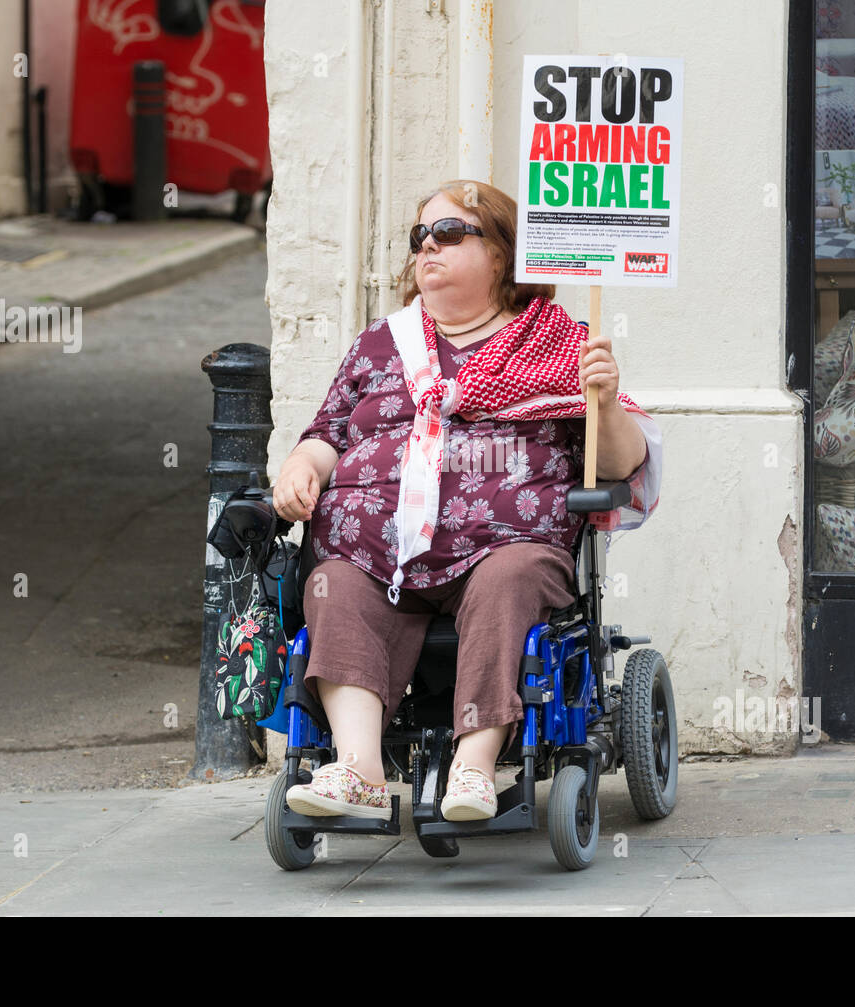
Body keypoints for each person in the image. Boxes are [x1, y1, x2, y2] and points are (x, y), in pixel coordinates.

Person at [273, 179, 661, 821]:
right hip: (378, 551)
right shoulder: (379, 344)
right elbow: (328, 434)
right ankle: (358, 767)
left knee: (508, 578)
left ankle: (474, 770)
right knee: (331, 583)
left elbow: (618, 463)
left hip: (505, 547)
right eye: (419, 237)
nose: (428, 247)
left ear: (501, 255)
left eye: (450, 233)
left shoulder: (557, 342)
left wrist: (603, 397)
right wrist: (298, 466)